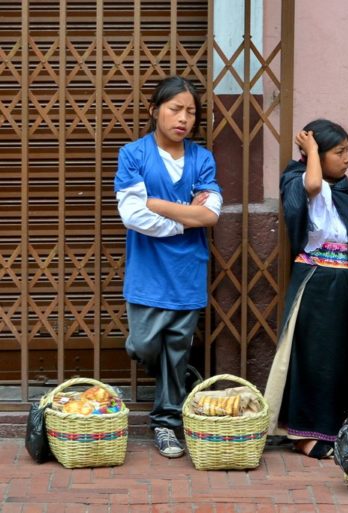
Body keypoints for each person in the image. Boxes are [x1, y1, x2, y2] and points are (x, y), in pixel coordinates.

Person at [114, 76, 222, 458]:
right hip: (146, 270)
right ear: (154, 110)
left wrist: (157, 204)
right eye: (175, 109)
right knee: (144, 343)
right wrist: (184, 216)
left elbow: (211, 215)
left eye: (191, 111)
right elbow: (132, 215)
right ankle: (168, 382)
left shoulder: (201, 159)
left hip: (187, 270)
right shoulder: (133, 155)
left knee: (177, 350)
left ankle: (166, 423)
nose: (184, 118)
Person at [264, 119, 348, 459]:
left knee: (336, 360)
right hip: (314, 281)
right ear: (315, 153)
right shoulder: (297, 181)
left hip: (342, 284)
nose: (347, 159)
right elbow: (313, 184)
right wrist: (310, 150)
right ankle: (302, 435)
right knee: (311, 359)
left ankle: (331, 430)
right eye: (339, 152)